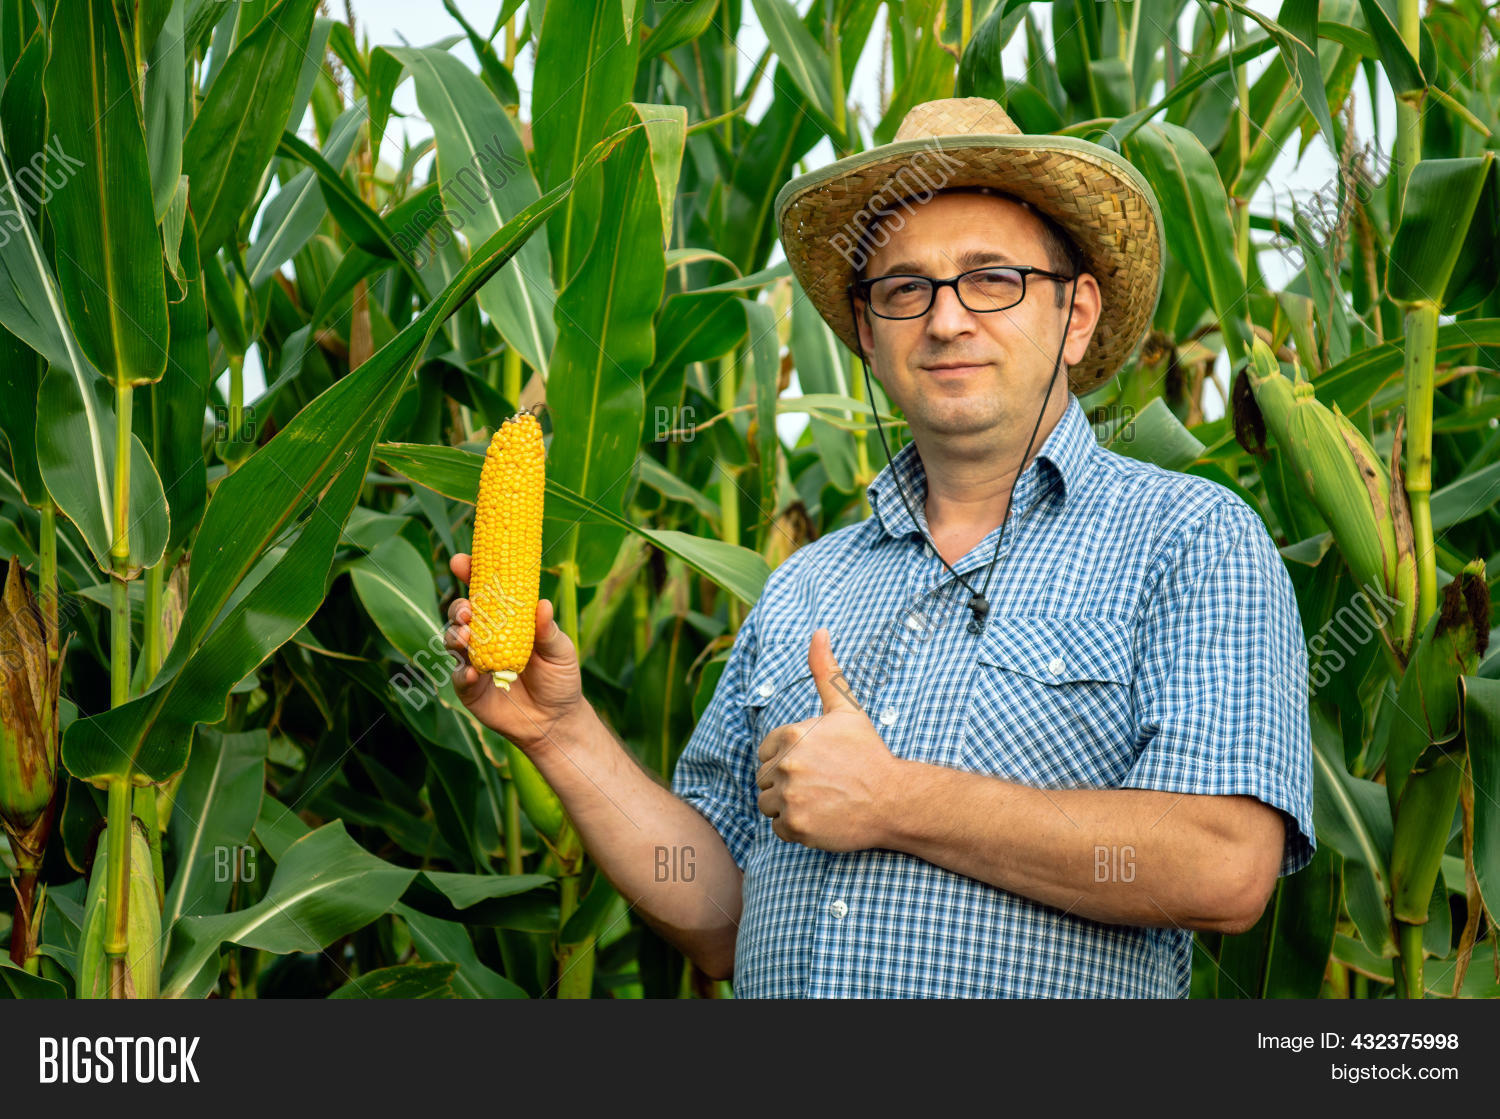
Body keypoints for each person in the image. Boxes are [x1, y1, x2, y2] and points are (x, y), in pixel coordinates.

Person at [444, 97, 1315, 998]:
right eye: (905, 289)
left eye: (992, 279)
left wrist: (894, 800)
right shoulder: (807, 586)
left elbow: (1225, 866)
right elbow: (721, 918)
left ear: (1077, 312)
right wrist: (562, 732)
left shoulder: (1191, 541)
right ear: (867, 332)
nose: (945, 321)